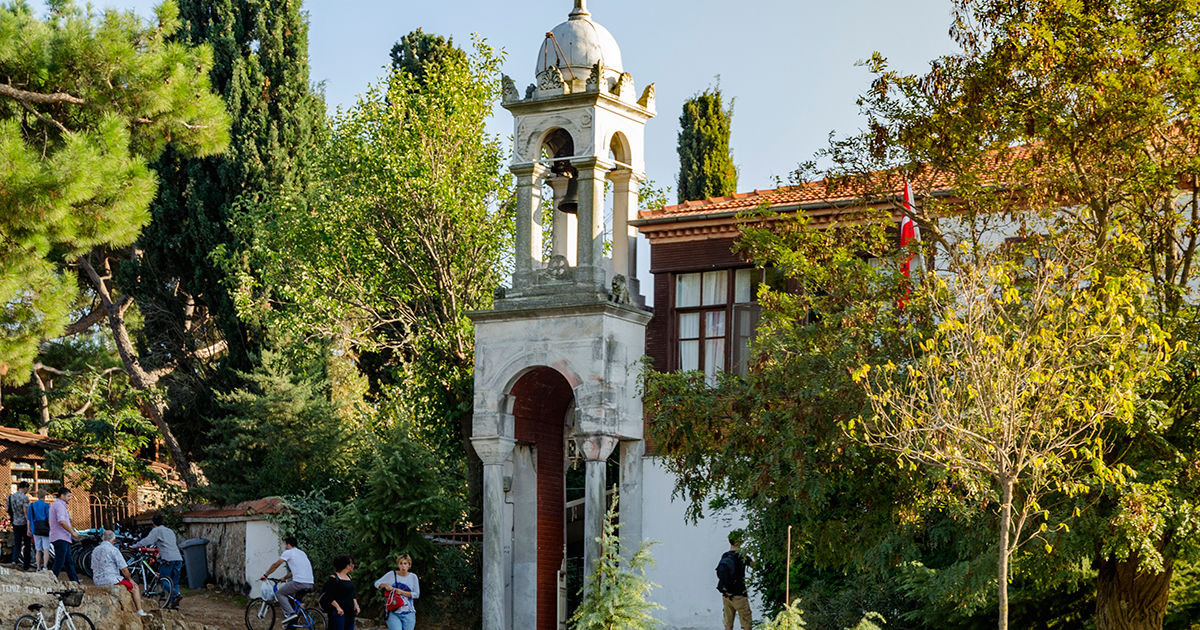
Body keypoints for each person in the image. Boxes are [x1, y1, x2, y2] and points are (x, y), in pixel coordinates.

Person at [91, 529, 150, 617]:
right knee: (135, 588)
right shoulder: (114, 550)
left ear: (102, 538)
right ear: (113, 540)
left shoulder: (95, 550)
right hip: (111, 580)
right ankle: (140, 611)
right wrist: (130, 579)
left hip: (97, 580)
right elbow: (124, 568)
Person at [260, 536, 315, 626]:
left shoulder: (289, 552)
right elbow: (295, 571)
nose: (285, 547)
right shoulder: (302, 553)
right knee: (293, 601)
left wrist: (266, 575)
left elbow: (276, 565)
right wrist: (284, 578)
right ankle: (293, 624)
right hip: (309, 583)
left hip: (299, 582)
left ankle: (291, 614)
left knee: (279, 593)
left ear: (288, 545)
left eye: (285, 545)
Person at [134, 514, 183, 608]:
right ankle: (175, 604)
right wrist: (159, 554)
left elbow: (147, 541)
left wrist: (135, 546)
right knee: (174, 582)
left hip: (167, 559)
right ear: (163, 522)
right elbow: (169, 545)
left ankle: (176, 594)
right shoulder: (170, 531)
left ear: (153, 523)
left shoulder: (156, 530)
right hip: (178, 558)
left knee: (164, 580)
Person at [374, 553, 419, 630]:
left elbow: (416, 594)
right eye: (401, 563)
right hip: (393, 612)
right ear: (398, 564)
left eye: (405, 563)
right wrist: (385, 585)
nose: (403, 566)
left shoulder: (413, 577)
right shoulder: (392, 574)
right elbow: (377, 583)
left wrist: (402, 592)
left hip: (409, 612)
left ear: (409, 565)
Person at [717, 530, 752, 630]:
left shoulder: (725, 555)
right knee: (746, 622)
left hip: (726, 594)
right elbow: (755, 566)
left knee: (728, 623)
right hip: (740, 594)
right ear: (740, 541)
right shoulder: (742, 556)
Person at [48, 488, 81, 583]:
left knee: (68, 561)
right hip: (61, 537)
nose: (70, 498)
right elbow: (62, 521)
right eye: (68, 496)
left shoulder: (57, 505)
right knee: (60, 561)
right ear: (62, 496)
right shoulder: (59, 506)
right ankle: (51, 580)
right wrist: (72, 532)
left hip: (63, 537)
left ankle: (75, 581)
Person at [319, 554, 359, 630]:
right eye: (352, 563)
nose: (353, 565)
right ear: (347, 566)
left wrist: (356, 605)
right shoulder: (334, 578)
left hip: (349, 610)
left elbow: (352, 593)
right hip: (338, 612)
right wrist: (338, 607)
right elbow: (328, 594)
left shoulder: (349, 577)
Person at [6, 481, 31, 570]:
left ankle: (14, 560)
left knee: (17, 543)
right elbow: (25, 512)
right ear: (25, 488)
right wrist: (29, 525)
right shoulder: (25, 498)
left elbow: (6, 509)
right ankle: (26, 565)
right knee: (27, 544)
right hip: (24, 523)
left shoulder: (11, 497)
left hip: (15, 522)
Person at [26, 489, 51, 571]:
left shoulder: (31, 505)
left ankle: (38, 567)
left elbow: (29, 518)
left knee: (38, 550)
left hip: (35, 529)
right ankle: (45, 567)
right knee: (46, 549)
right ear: (44, 496)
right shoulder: (46, 505)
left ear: (37, 496)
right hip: (45, 529)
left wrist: (28, 529)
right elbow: (49, 518)